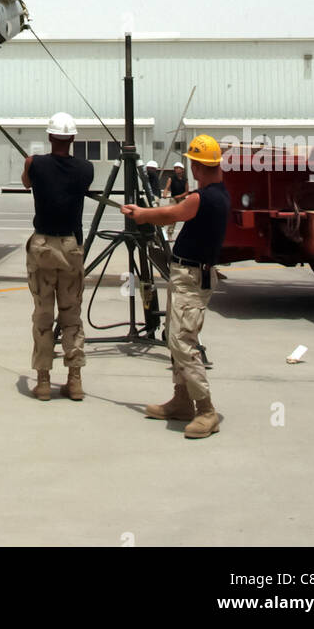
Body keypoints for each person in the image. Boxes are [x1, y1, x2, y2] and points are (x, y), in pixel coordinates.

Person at [122, 133, 230, 439]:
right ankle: (182, 400)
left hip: (191, 278)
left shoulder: (202, 198)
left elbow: (171, 214)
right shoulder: (220, 193)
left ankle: (206, 409)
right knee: (175, 337)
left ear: (197, 167)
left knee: (183, 342)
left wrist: (141, 214)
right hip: (190, 276)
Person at [22, 112, 94, 402]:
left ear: (50, 137)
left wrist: (33, 164)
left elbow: (27, 182)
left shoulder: (35, 163)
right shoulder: (86, 168)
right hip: (71, 245)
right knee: (71, 314)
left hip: (42, 245)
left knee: (43, 312)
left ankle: (42, 381)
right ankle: (74, 380)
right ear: (73, 138)